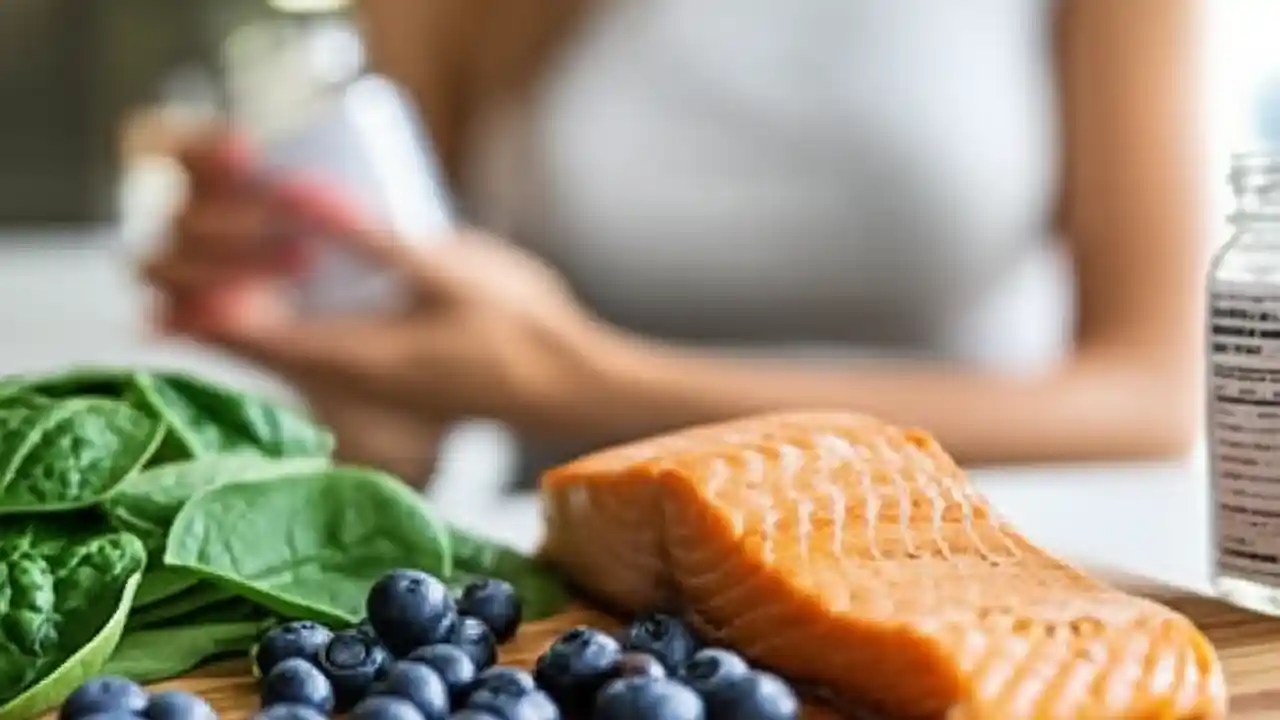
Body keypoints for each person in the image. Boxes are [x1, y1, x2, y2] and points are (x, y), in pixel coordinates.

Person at [145, 0, 1204, 486]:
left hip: (1010, 562)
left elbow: (1150, 398)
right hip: (595, 599)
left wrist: (579, 380)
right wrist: (340, 347)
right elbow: (405, 444)